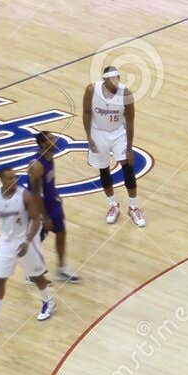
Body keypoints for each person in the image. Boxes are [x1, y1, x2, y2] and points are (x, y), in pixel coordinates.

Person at [0, 164, 55, 335]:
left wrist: (27, 241)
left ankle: (49, 301)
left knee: (37, 276)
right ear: (1, 180)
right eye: (10, 178)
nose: (14, 180)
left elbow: (35, 220)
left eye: (15, 177)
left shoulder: (24, 196)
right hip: (5, 243)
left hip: (24, 241)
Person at [81, 65, 143, 228]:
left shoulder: (125, 93)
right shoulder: (91, 90)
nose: (115, 83)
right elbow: (87, 113)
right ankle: (113, 205)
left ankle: (134, 206)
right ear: (105, 80)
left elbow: (130, 120)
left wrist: (129, 147)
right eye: (112, 80)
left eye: (117, 79)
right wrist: (89, 137)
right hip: (98, 132)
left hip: (118, 133)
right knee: (104, 169)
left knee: (127, 167)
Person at [26, 130, 78, 282]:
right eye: (51, 139)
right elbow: (36, 194)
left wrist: (55, 194)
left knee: (61, 232)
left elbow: (48, 182)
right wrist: (44, 217)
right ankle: (31, 271)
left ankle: (61, 269)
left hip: (53, 202)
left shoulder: (50, 156)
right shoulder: (36, 165)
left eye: (54, 137)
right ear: (43, 144)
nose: (55, 140)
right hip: (40, 207)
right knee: (37, 239)